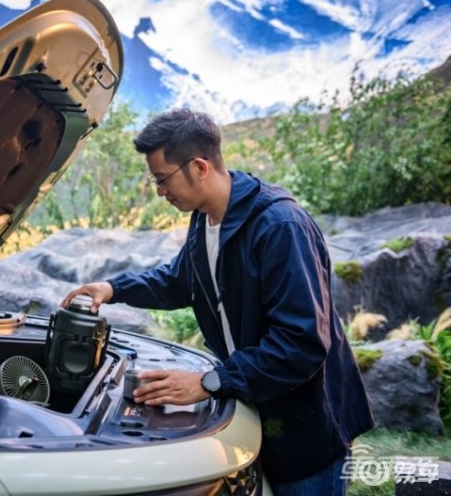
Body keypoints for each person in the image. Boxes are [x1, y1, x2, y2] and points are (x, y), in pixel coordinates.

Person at [62, 108, 374, 494]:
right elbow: (179, 281)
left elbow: (301, 342)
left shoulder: (280, 227)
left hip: (306, 427)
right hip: (257, 407)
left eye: (163, 180)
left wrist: (210, 382)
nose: (160, 192)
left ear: (199, 167)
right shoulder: (206, 219)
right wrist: (113, 289)